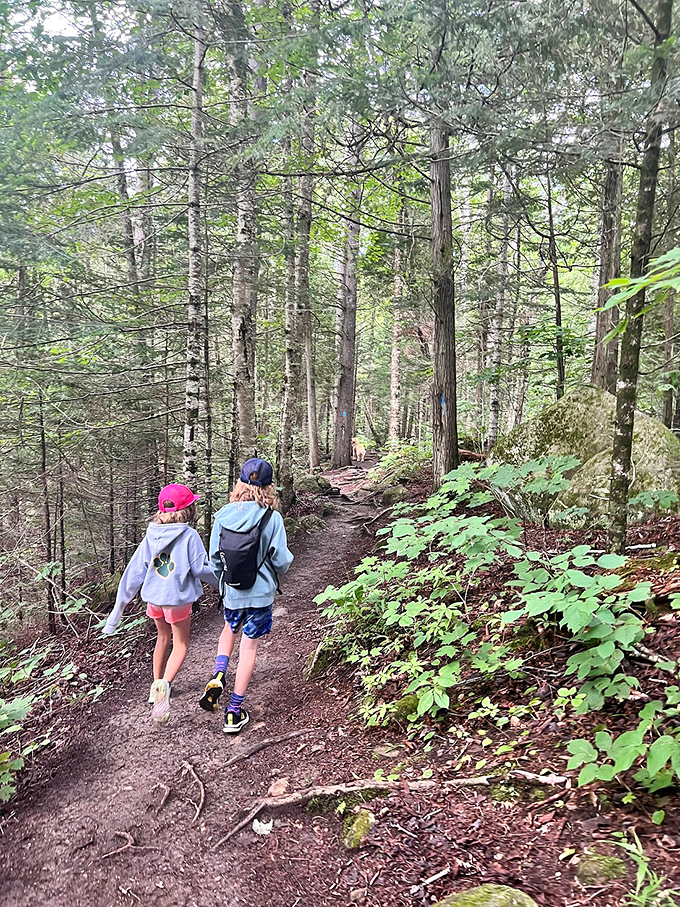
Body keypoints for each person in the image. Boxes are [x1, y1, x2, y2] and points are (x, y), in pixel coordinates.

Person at [103, 483, 217, 723]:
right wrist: (223, 583)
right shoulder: (190, 536)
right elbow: (200, 569)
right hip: (176, 600)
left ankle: (156, 686)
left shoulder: (151, 535)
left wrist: (117, 612)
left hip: (154, 600)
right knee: (181, 644)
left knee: (162, 638)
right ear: (189, 509)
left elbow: (134, 572)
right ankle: (165, 685)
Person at [200, 457, 293, 734]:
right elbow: (282, 561)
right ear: (269, 486)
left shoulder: (222, 516)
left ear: (239, 483)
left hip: (232, 590)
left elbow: (215, 559)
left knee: (229, 628)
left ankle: (219, 673)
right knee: (249, 647)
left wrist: (224, 581)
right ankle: (233, 712)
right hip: (260, 595)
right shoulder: (272, 518)